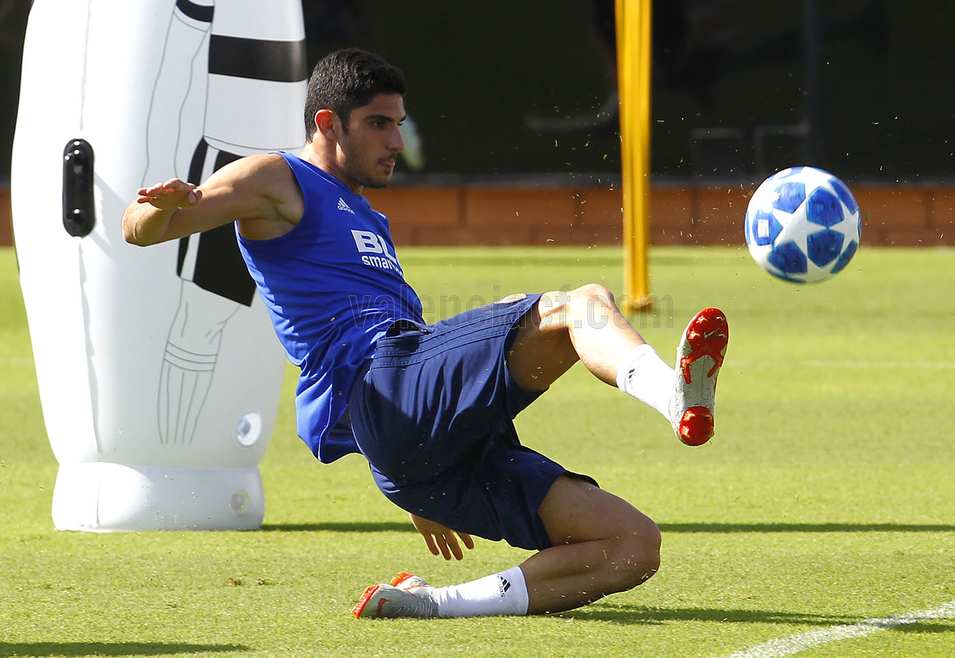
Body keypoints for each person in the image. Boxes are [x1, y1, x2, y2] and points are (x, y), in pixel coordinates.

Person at [122, 47, 728, 618]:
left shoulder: (369, 217)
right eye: (379, 124)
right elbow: (140, 228)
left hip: (416, 437)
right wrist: (159, 205)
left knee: (632, 545)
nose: (396, 142)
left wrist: (417, 459)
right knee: (582, 306)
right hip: (387, 386)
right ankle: (672, 394)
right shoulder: (280, 177)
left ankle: (437, 603)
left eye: (399, 124)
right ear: (328, 123)